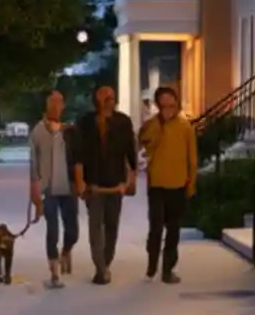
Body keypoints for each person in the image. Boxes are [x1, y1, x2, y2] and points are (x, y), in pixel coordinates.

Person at [73, 84, 138, 285]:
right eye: (104, 96)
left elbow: (131, 153)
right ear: (96, 99)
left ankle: (106, 263)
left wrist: (131, 180)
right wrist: (79, 182)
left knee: (111, 227)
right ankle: (100, 269)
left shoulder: (123, 122)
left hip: (115, 184)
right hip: (94, 186)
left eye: (111, 95)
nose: (108, 99)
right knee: (95, 229)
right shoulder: (85, 123)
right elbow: (77, 156)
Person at [138, 86, 197, 284]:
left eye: (172, 104)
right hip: (157, 185)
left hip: (178, 184)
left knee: (173, 230)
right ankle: (151, 266)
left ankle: (167, 270)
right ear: (158, 105)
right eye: (164, 105)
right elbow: (142, 143)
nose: (169, 109)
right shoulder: (151, 125)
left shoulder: (185, 127)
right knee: (155, 228)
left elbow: (192, 158)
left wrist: (191, 183)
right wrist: (160, 125)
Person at [30, 90, 78, 289]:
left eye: (59, 102)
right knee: (53, 230)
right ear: (47, 104)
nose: (56, 106)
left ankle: (66, 251)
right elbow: (33, 165)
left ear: (63, 106)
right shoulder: (38, 131)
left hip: (69, 189)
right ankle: (54, 273)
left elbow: (78, 159)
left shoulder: (70, 131)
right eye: (52, 102)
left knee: (73, 231)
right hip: (48, 189)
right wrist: (35, 196)